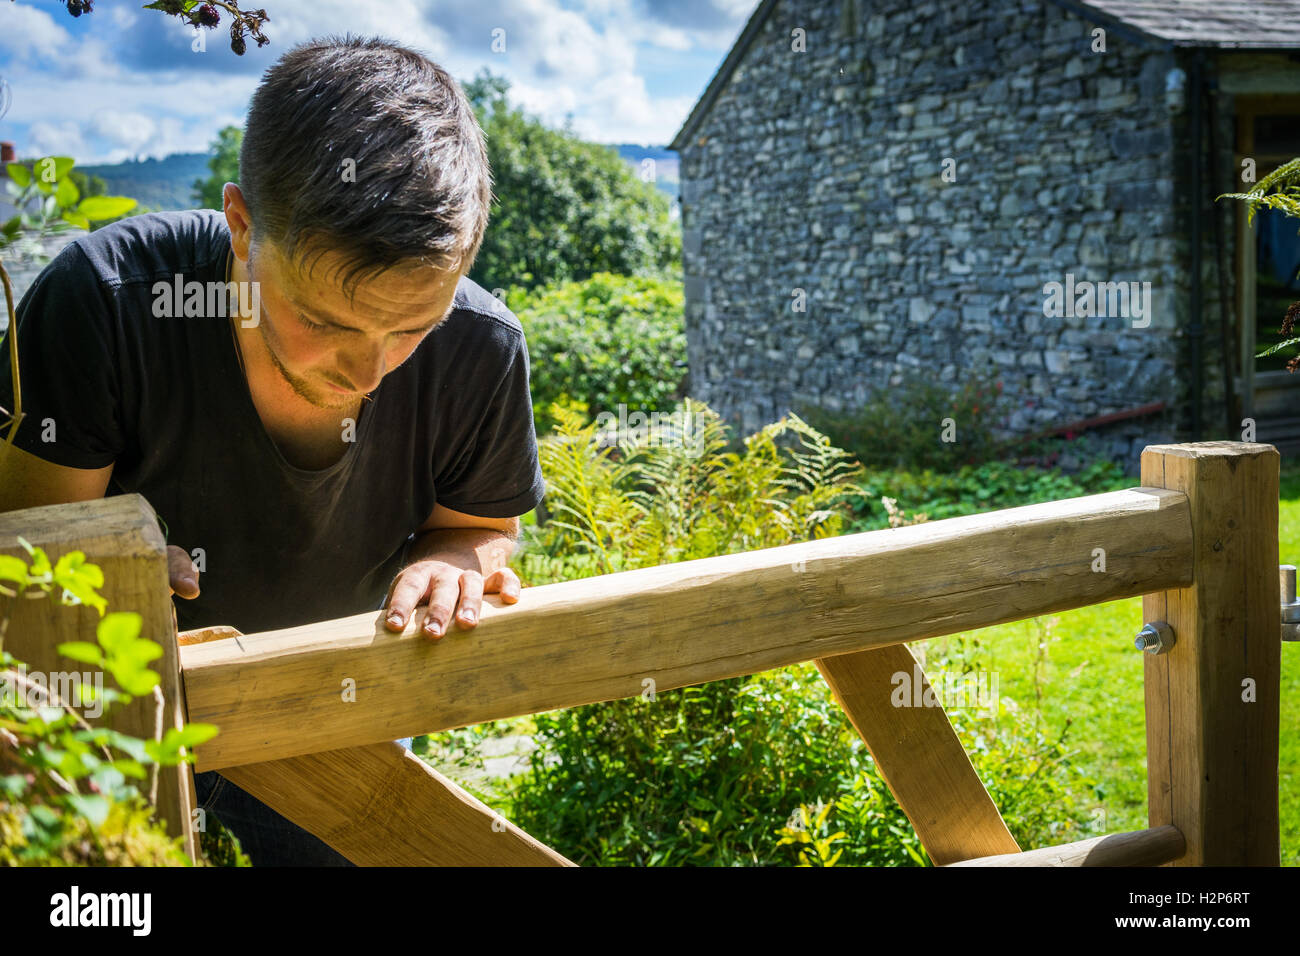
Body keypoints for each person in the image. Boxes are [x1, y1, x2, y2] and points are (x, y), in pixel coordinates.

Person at [0, 35, 546, 865]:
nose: (369, 372)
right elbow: (27, 562)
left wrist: (459, 561)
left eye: (412, 328)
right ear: (242, 226)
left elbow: (473, 526)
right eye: (325, 321)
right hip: (114, 726)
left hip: (342, 724)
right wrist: (110, 575)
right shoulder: (102, 302)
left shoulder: (483, 347)